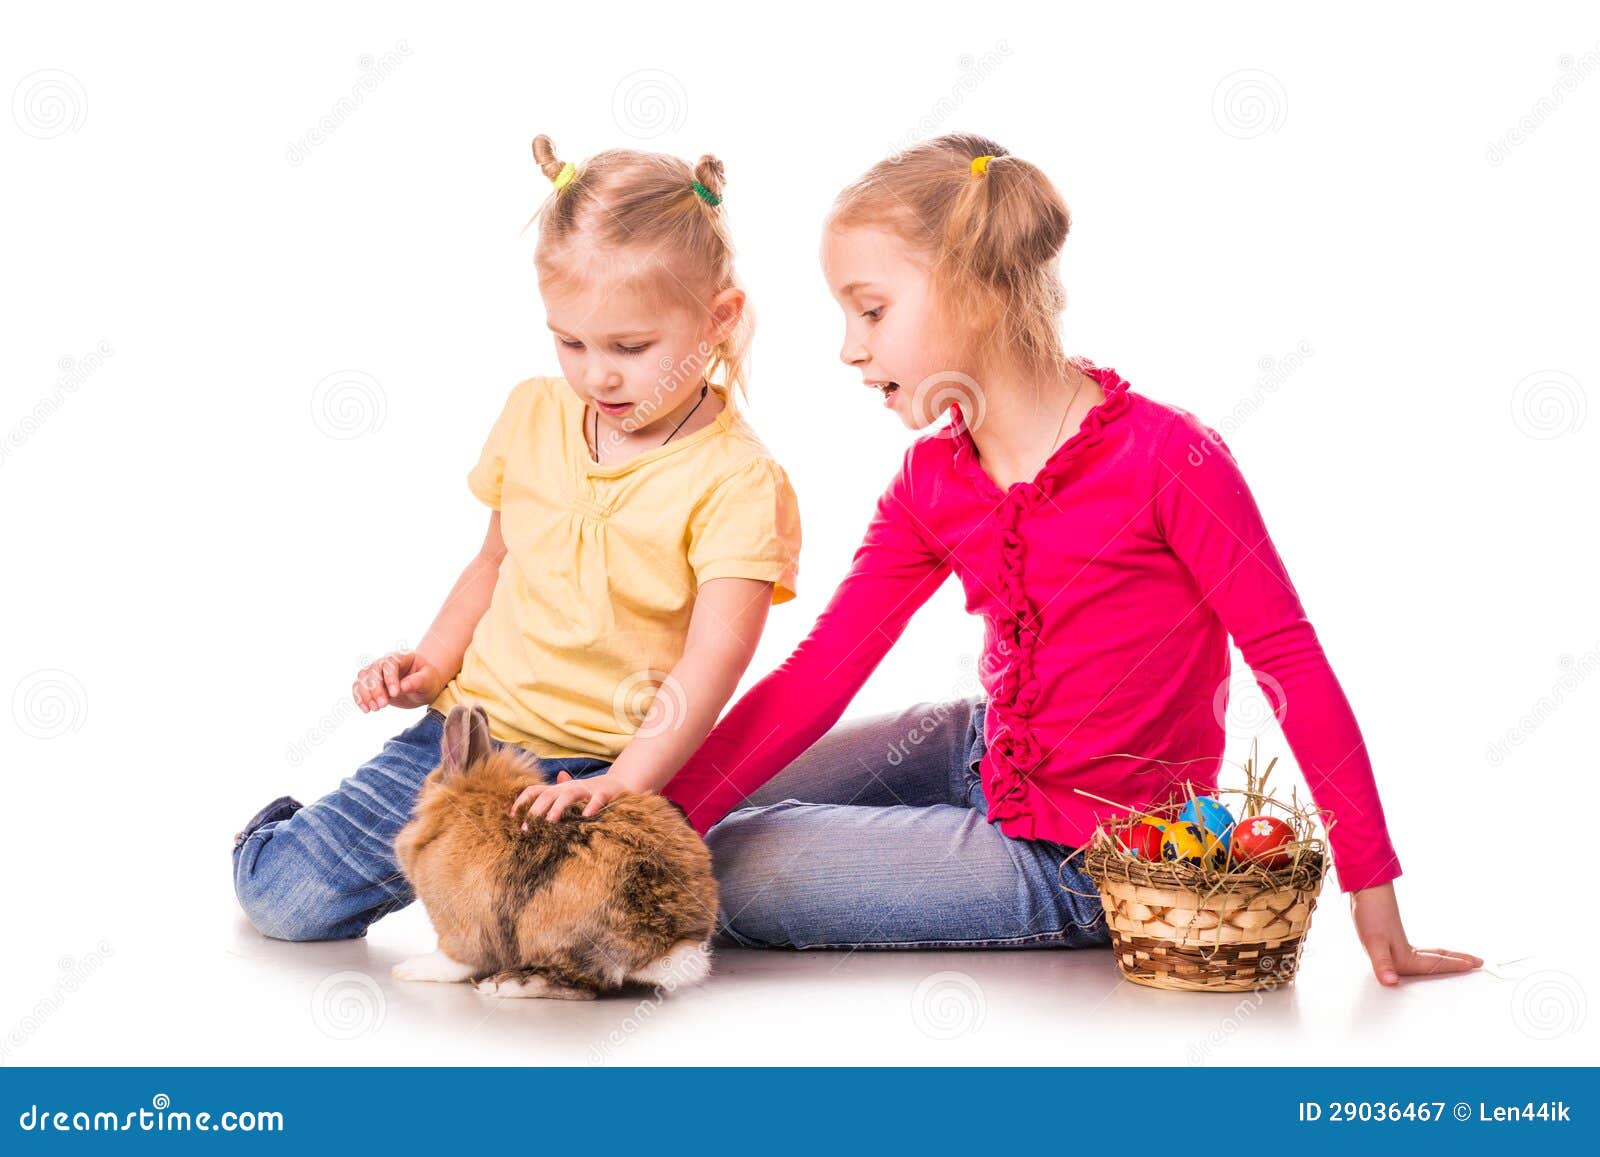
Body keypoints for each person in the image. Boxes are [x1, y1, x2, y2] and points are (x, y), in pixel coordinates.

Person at [231, 135, 800, 942]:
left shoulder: (737, 480)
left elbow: (715, 661)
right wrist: (428, 665)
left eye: (630, 349)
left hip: (609, 763)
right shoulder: (533, 413)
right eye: (571, 342)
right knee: (285, 903)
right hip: (471, 737)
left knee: (595, 935)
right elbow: (494, 561)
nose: (597, 375)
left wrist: (621, 784)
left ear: (718, 319)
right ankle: (291, 832)